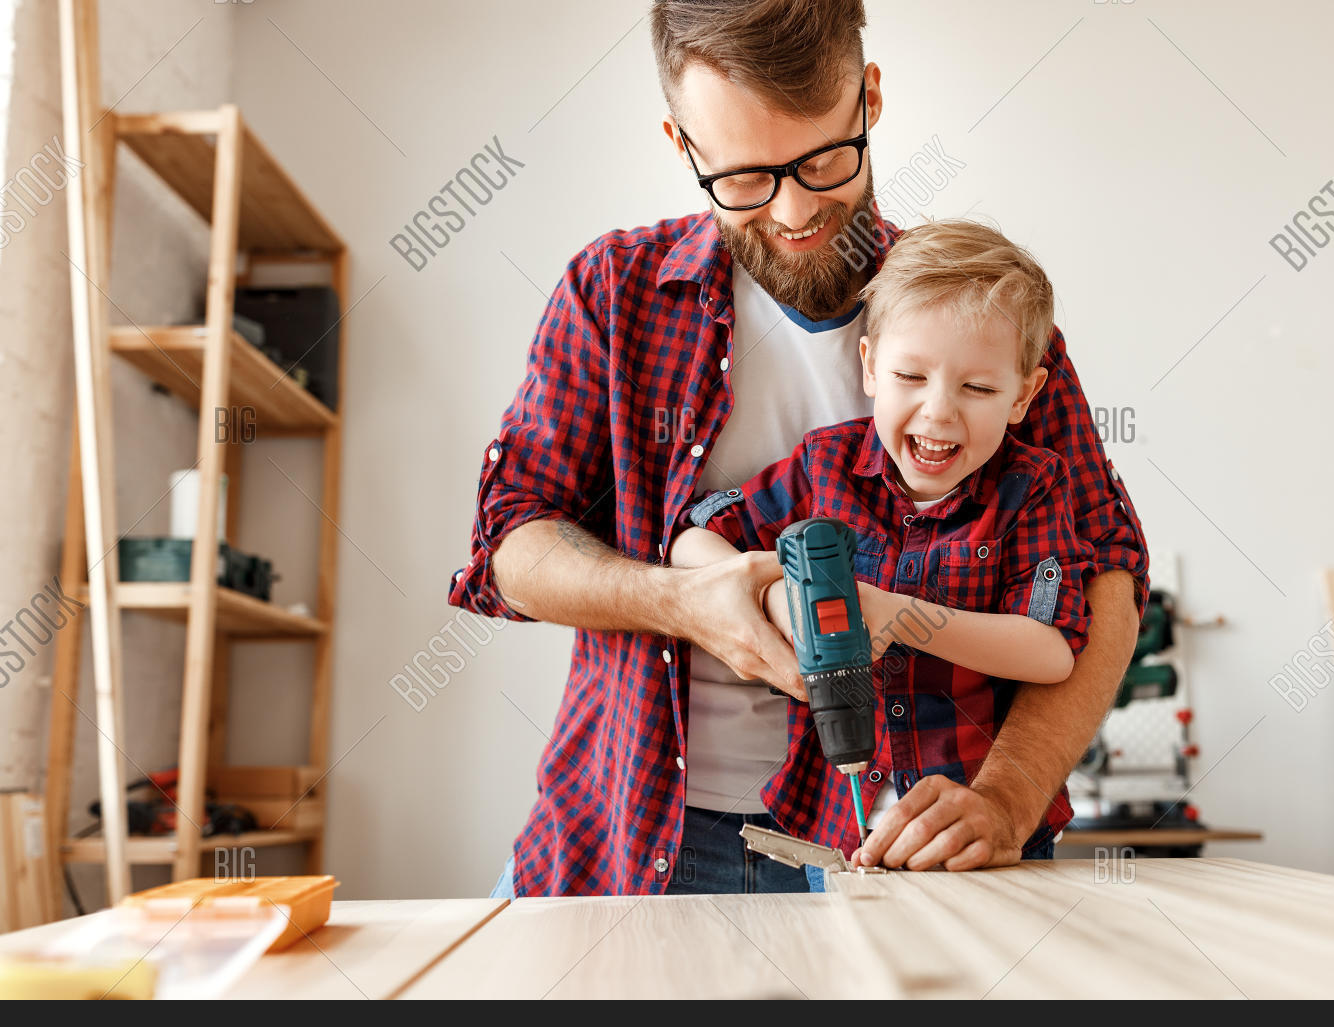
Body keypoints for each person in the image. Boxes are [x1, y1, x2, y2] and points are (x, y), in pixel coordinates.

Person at [448, 0, 1149, 898]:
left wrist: (1007, 799)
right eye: (743, 176)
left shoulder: (985, 322)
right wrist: (685, 602)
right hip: (634, 829)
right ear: (682, 144)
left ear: (869, 98)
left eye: (823, 160)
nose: (794, 209)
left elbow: (1107, 581)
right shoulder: (613, 294)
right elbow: (512, 544)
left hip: (903, 845)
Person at [669, 219, 1096, 891]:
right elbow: (691, 537)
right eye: (910, 375)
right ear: (869, 367)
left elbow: (1051, 652)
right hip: (833, 827)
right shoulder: (825, 466)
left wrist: (898, 616)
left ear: (1024, 396)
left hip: (970, 832)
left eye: (978, 389)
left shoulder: (1032, 487)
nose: (938, 412)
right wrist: (773, 593)